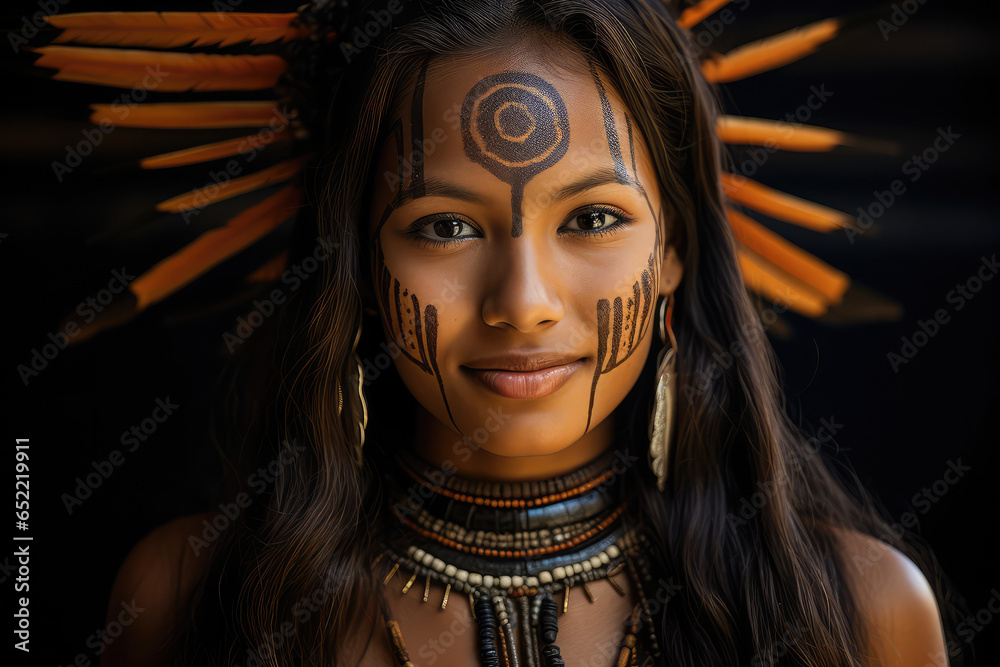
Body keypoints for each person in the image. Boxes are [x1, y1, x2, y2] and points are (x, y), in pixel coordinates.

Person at [93, 1, 963, 666]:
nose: (524, 301)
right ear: (354, 259)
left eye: (591, 217)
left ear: (674, 251)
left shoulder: (862, 613)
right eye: (444, 226)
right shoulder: (186, 599)